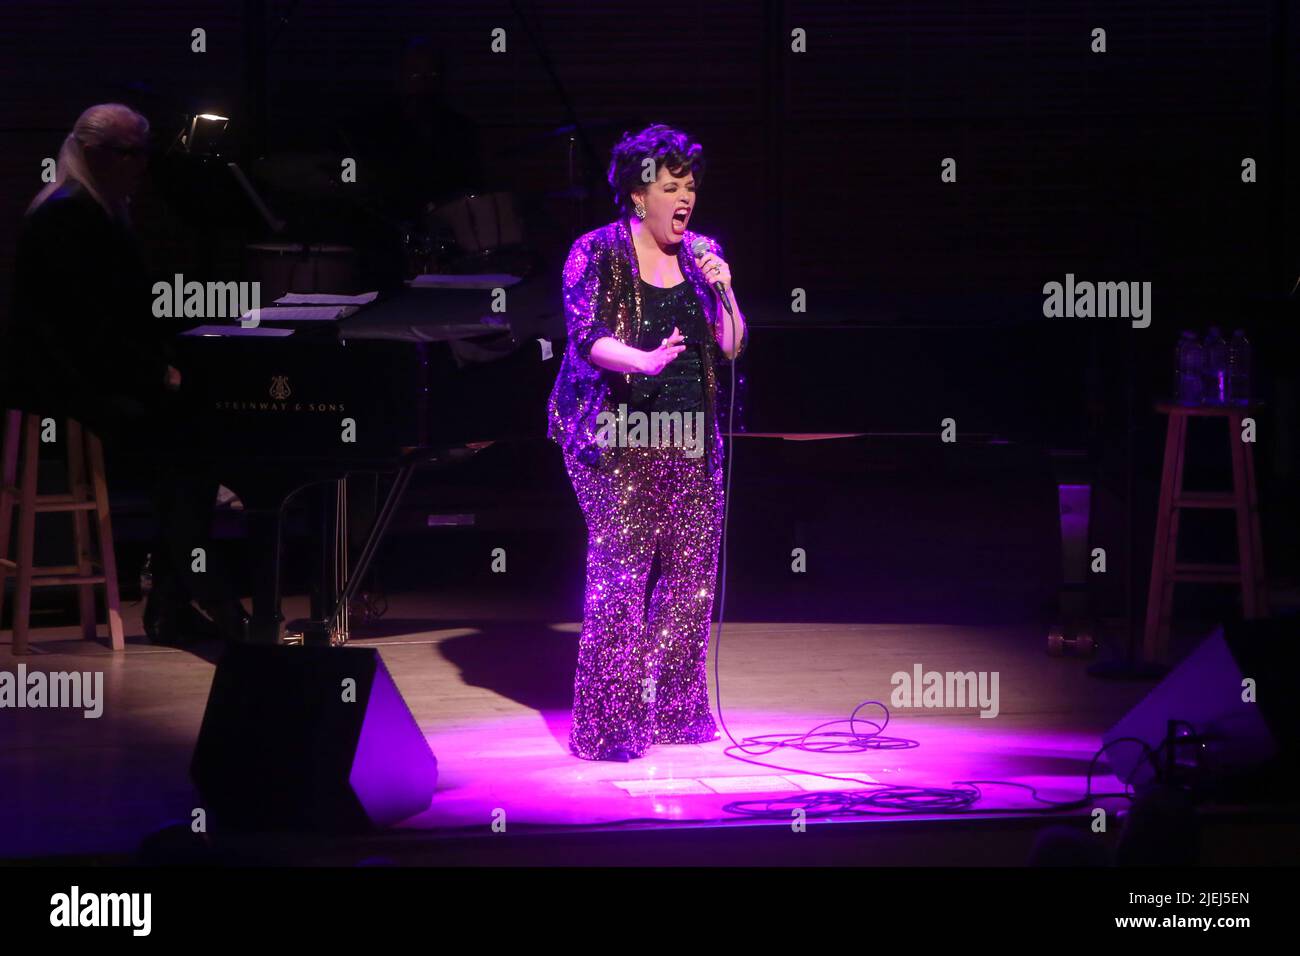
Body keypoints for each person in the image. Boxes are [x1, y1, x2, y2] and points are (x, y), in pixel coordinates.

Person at [1, 103, 247, 644]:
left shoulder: (96, 206)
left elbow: (122, 311)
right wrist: (157, 374)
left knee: (193, 441)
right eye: (128, 152)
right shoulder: (70, 213)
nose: (140, 164)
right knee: (192, 446)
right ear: (92, 152)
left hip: (86, 376)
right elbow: (85, 329)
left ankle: (177, 597)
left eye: (143, 151)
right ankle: (195, 596)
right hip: (66, 389)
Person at [547, 124, 748, 761]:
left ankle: (672, 710)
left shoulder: (702, 254)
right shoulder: (595, 252)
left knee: (691, 579)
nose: (684, 197)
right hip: (618, 436)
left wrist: (725, 288)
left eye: (690, 186)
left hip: (693, 440)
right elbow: (586, 337)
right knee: (620, 580)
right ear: (639, 194)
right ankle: (609, 724)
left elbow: (733, 344)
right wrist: (642, 360)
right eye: (670, 186)